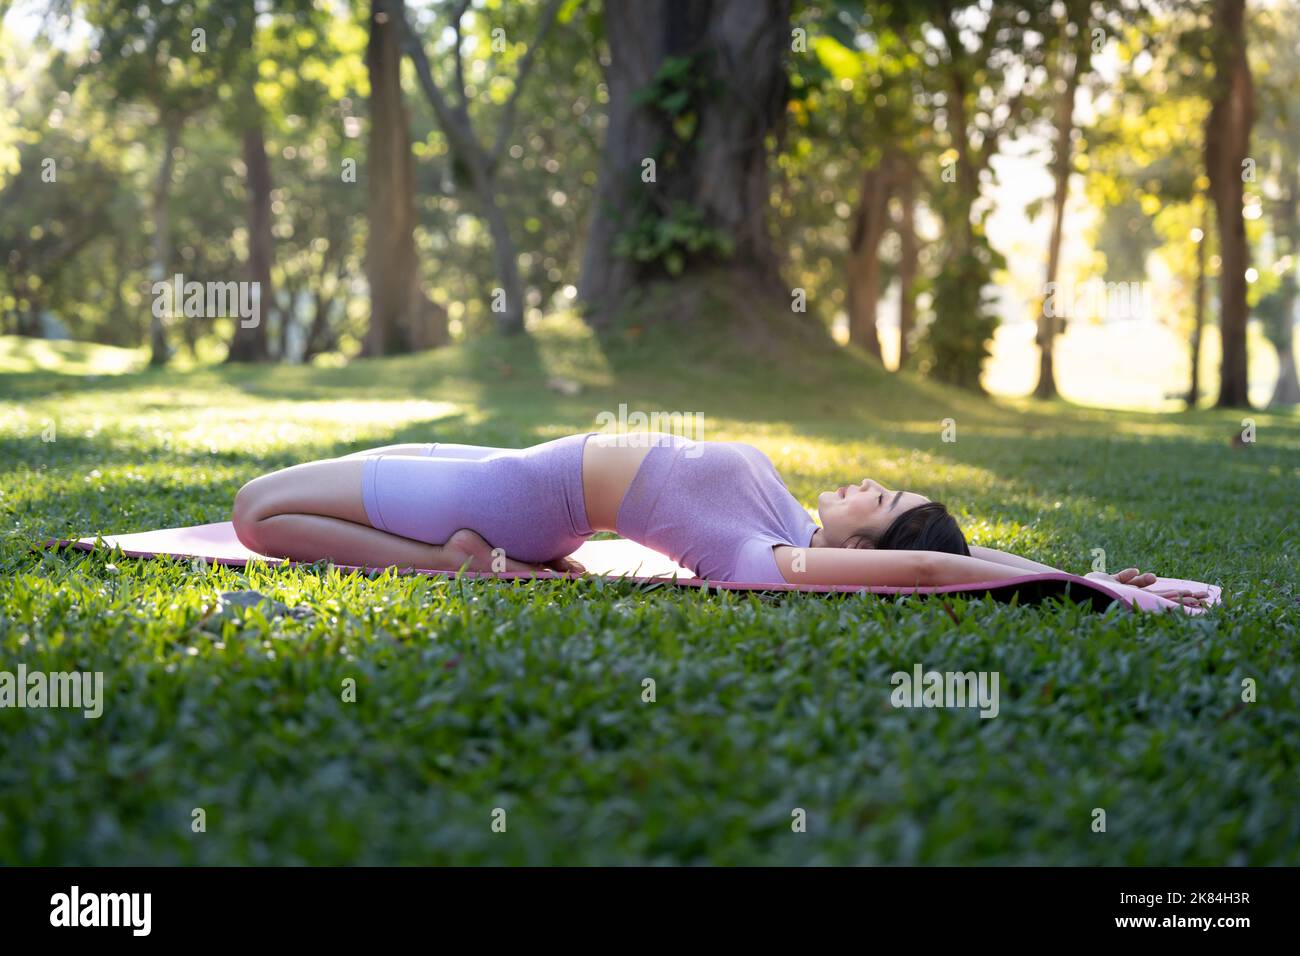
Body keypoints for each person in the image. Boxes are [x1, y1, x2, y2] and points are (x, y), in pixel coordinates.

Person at [230, 431, 1205, 604]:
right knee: (278, 495)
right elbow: (951, 552)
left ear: (853, 548)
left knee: (253, 513)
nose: (869, 483)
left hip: (498, 506)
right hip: (504, 469)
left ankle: (455, 567)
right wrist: (1101, 572)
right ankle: (453, 558)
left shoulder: (766, 554)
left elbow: (928, 570)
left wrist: (1075, 595)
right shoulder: (784, 512)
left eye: (882, 502)